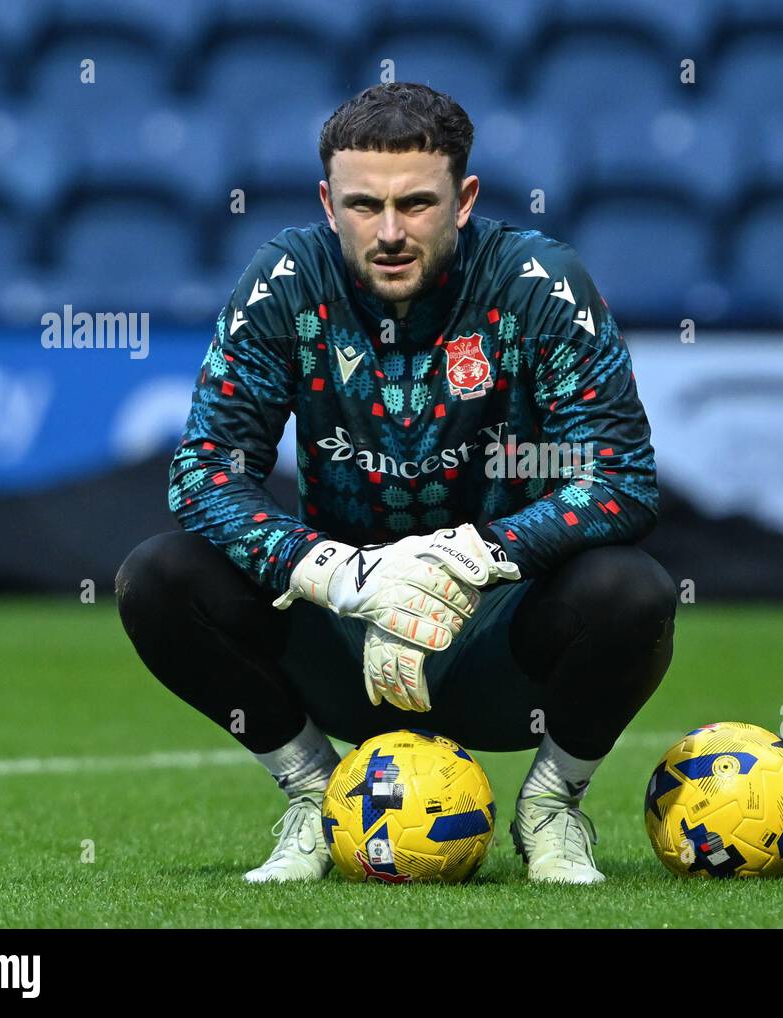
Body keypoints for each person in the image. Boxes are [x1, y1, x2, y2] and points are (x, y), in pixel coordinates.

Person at [114, 82, 677, 885]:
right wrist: (341, 575)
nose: (388, 233)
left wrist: (469, 556)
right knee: (158, 576)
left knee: (635, 591)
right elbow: (204, 474)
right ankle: (314, 795)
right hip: (346, 644)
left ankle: (553, 807)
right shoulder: (285, 278)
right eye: (362, 205)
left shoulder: (539, 281)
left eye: (415, 204)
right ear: (327, 201)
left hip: (501, 648)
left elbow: (622, 479)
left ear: (464, 199)